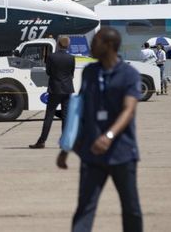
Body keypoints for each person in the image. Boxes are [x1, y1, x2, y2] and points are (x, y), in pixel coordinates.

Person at [57, 27, 142, 232]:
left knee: (131, 208)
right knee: (85, 208)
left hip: (122, 153)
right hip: (91, 154)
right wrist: (66, 147)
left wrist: (109, 136)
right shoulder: (90, 72)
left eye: (95, 42)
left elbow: (129, 110)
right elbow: (79, 111)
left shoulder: (129, 74)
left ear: (109, 45)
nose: (91, 46)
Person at [30, 36, 75, 149]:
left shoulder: (51, 57)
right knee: (65, 116)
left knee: (49, 115)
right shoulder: (71, 58)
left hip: (55, 89)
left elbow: (48, 72)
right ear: (68, 45)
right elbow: (71, 73)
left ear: (58, 44)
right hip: (67, 89)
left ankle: (42, 141)